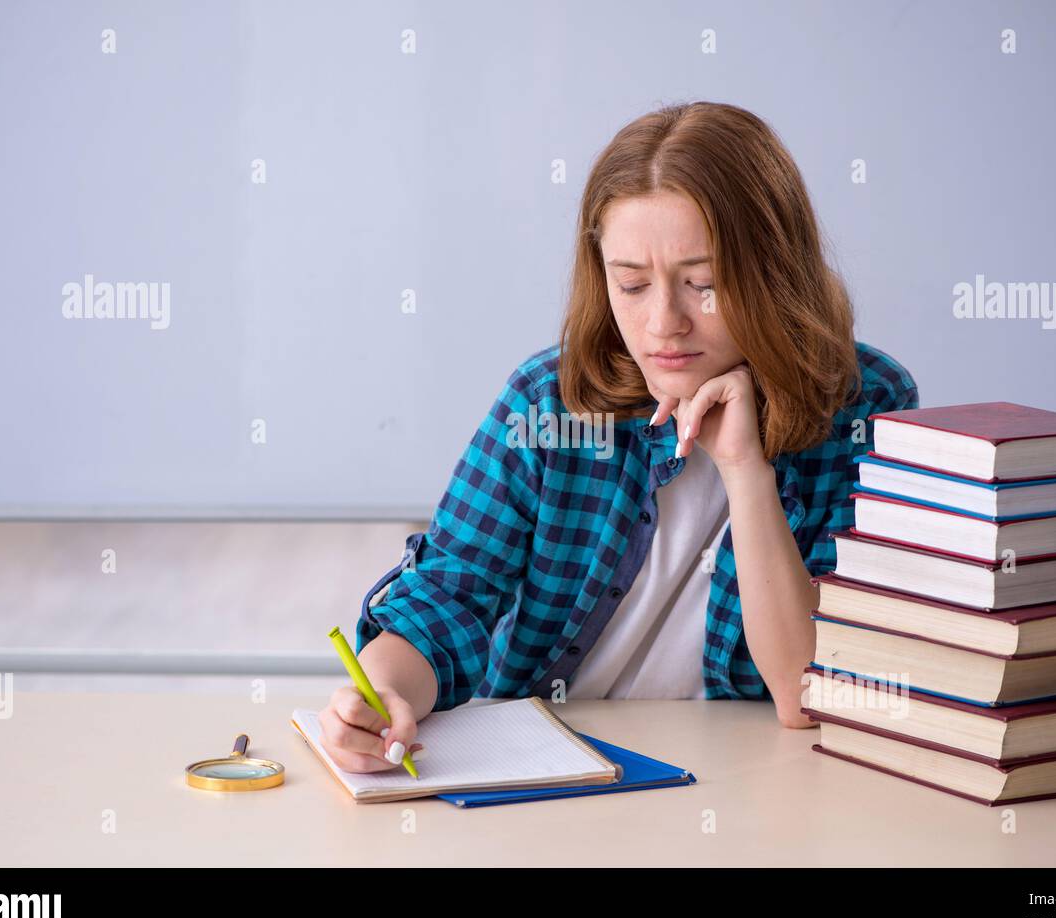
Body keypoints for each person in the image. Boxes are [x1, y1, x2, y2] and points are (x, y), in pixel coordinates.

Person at [318, 101, 919, 772]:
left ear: (774, 272)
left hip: (756, 785)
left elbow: (809, 695)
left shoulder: (868, 405)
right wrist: (380, 696)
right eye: (631, 284)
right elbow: (446, 598)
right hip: (551, 780)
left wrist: (747, 471)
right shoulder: (550, 402)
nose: (664, 322)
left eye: (704, 284)